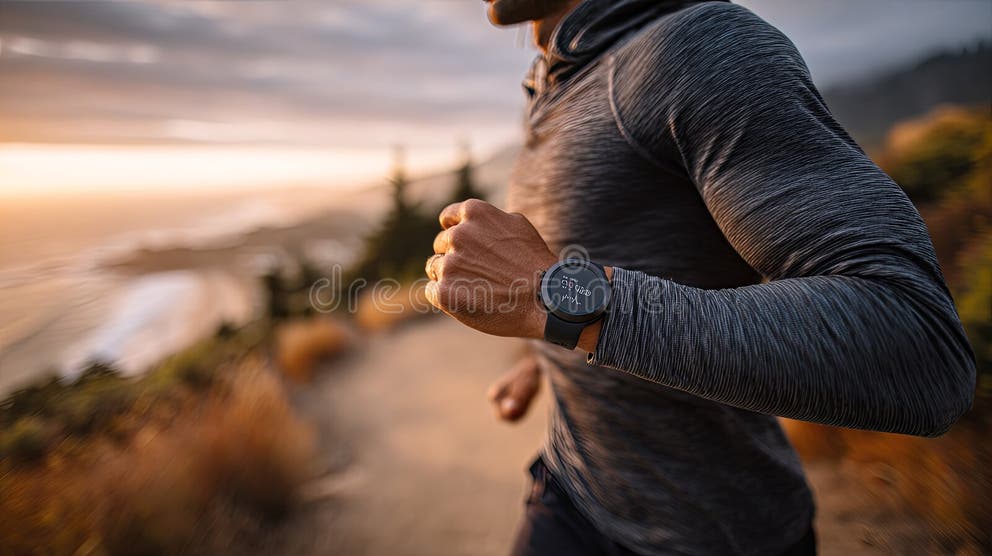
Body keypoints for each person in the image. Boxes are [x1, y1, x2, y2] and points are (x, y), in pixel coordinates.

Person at [422, 1, 977, 554]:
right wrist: (543, 359)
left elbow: (917, 344)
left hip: (712, 533)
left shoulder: (696, 48)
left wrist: (551, 296)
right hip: (571, 488)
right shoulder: (556, 88)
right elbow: (623, 258)